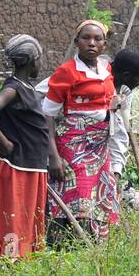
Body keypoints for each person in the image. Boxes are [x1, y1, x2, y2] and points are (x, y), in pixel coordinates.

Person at [0, 35, 51, 259]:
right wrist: (5, 143)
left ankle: (22, 260)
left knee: (27, 217)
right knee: (12, 218)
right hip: (15, 167)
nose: (41, 63)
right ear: (32, 61)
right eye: (40, 59)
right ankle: (8, 261)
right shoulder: (13, 89)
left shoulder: (27, 88)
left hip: (30, 167)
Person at [41, 19, 117, 243]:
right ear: (76, 42)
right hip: (73, 144)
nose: (91, 43)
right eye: (86, 38)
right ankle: (67, 244)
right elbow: (48, 116)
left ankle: (95, 243)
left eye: (97, 39)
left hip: (100, 145)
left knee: (99, 194)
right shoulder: (66, 72)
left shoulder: (106, 70)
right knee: (77, 193)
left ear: (104, 44)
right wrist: (53, 156)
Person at [107, 48, 139, 219]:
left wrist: (116, 169)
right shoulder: (95, 77)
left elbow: (119, 131)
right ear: (125, 75)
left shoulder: (124, 92)